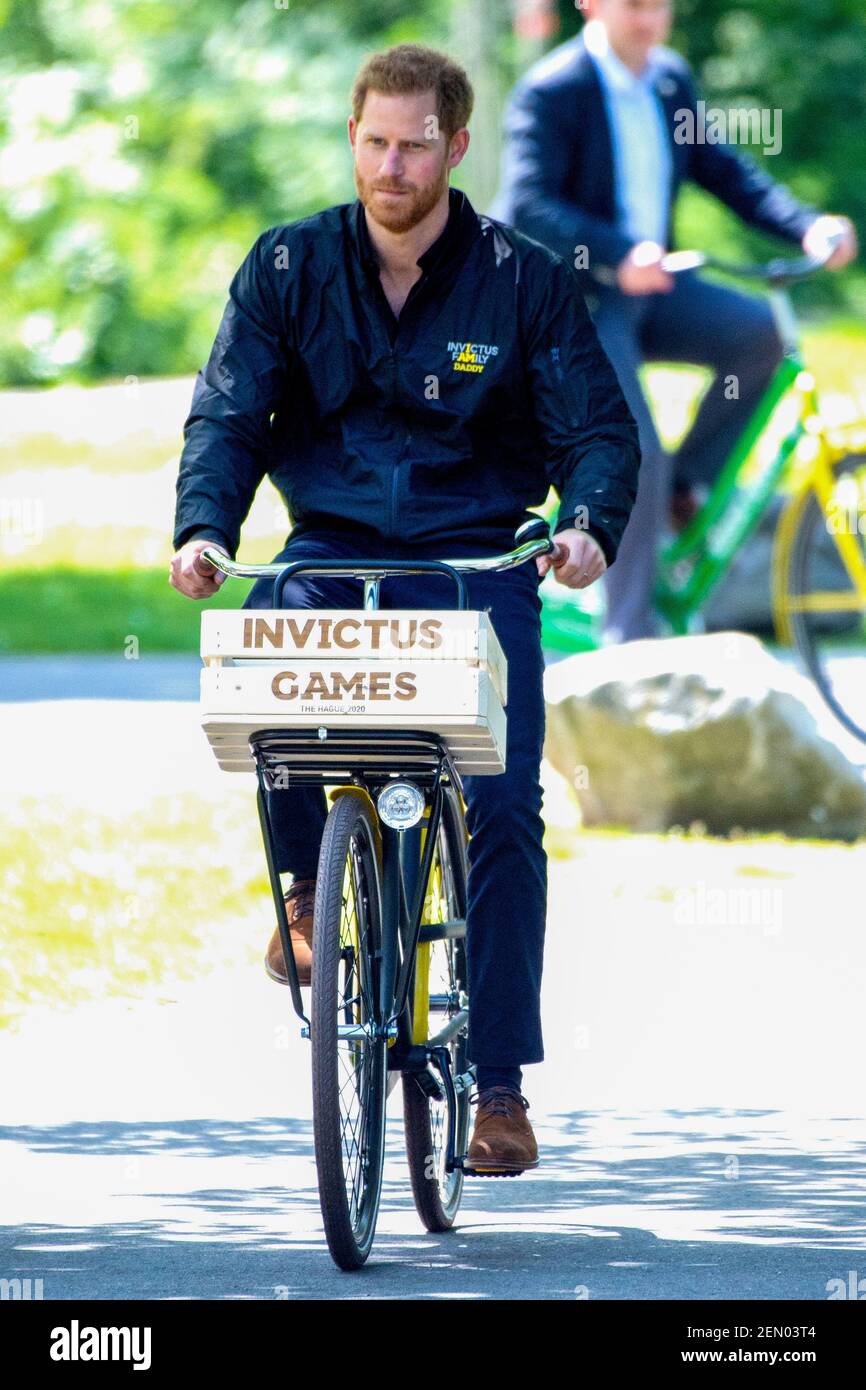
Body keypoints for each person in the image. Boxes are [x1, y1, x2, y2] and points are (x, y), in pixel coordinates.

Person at [170, 43, 640, 1173]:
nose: (392, 163)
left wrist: (584, 525)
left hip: (475, 561)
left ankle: (498, 1087)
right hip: (330, 550)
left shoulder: (522, 278)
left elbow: (597, 431)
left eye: (414, 142)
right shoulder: (285, 268)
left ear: (454, 146)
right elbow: (228, 416)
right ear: (352, 138)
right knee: (271, 692)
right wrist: (203, 530)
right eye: (374, 140)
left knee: (502, 812)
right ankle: (302, 895)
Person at [491, 0, 857, 643]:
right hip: (577, 298)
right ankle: (629, 637)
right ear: (591, 6)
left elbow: (722, 169)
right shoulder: (555, 89)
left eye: (658, 3)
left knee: (758, 332)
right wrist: (615, 251)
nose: (648, 17)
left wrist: (807, 225)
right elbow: (528, 201)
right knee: (633, 446)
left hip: (655, 288)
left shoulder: (668, 81)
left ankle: (684, 488)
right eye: (632, 4)